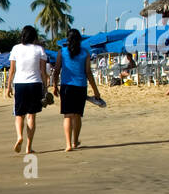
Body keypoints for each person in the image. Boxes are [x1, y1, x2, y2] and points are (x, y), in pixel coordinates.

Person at [55, 29, 101, 152]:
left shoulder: (62, 52)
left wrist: (54, 86)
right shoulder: (85, 53)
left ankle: (68, 144)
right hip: (81, 87)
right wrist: (96, 91)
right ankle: (75, 141)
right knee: (77, 115)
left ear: (67, 40)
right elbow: (88, 73)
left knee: (67, 116)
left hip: (66, 87)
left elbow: (57, 70)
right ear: (79, 40)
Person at [7, 25, 48, 153]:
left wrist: (8, 87)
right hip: (35, 84)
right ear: (34, 36)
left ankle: (19, 136)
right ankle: (28, 147)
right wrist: (45, 87)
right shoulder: (39, 49)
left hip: (20, 84)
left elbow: (12, 70)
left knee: (19, 115)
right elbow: (42, 71)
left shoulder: (16, 49)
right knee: (31, 116)